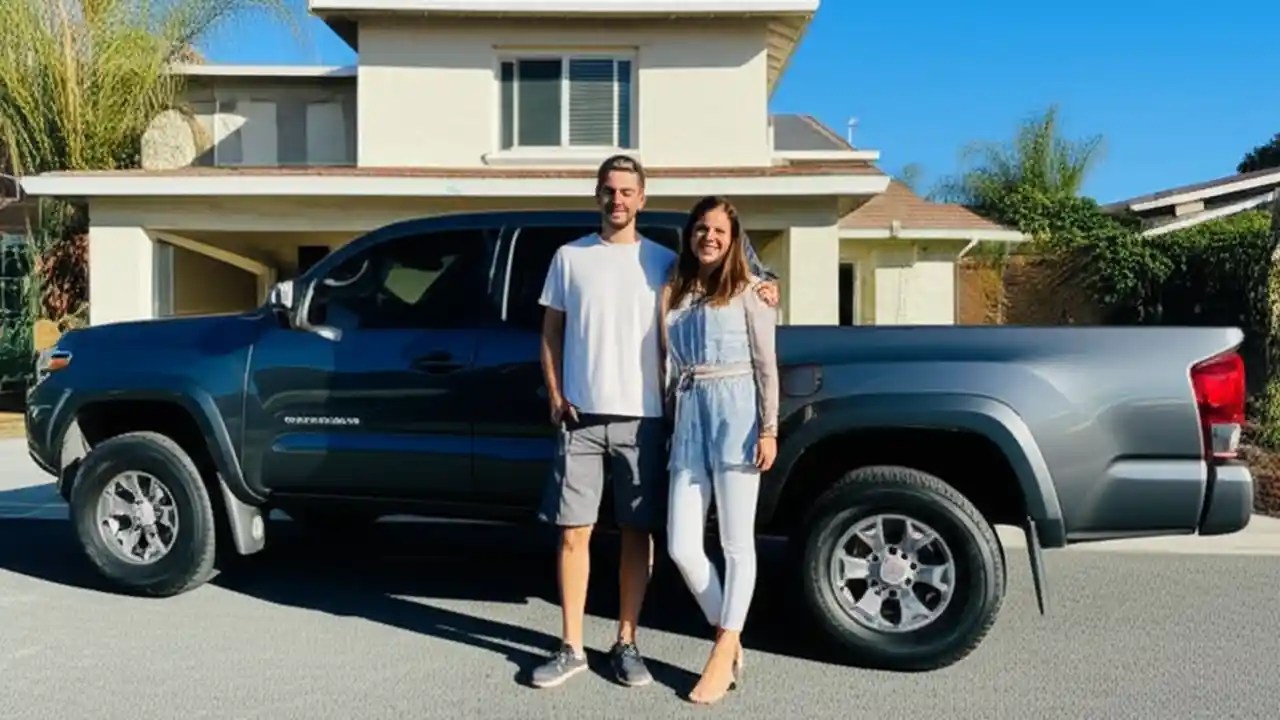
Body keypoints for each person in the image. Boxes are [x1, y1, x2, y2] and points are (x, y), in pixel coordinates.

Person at [530, 155, 778, 690]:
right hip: (581, 418)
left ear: (642, 198)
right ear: (597, 194)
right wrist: (555, 394)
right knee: (574, 535)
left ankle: (627, 642)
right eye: (609, 190)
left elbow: (726, 271)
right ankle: (572, 645)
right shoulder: (569, 258)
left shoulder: (665, 262)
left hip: (647, 419)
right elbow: (550, 331)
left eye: (627, 191)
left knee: (638, 537)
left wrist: (766, 281)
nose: (617, 200)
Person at [661, 195, 779, 705]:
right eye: (701, 228)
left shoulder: (752, 291)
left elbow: (766, 365)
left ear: (734, 241)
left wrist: (769, 428)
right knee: (681, 545)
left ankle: (722, 648)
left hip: (737, 417)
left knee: (736, 543)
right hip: (690, 418)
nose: (708, 237)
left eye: (719, 231)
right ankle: (728, 634)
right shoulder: (678, 290)